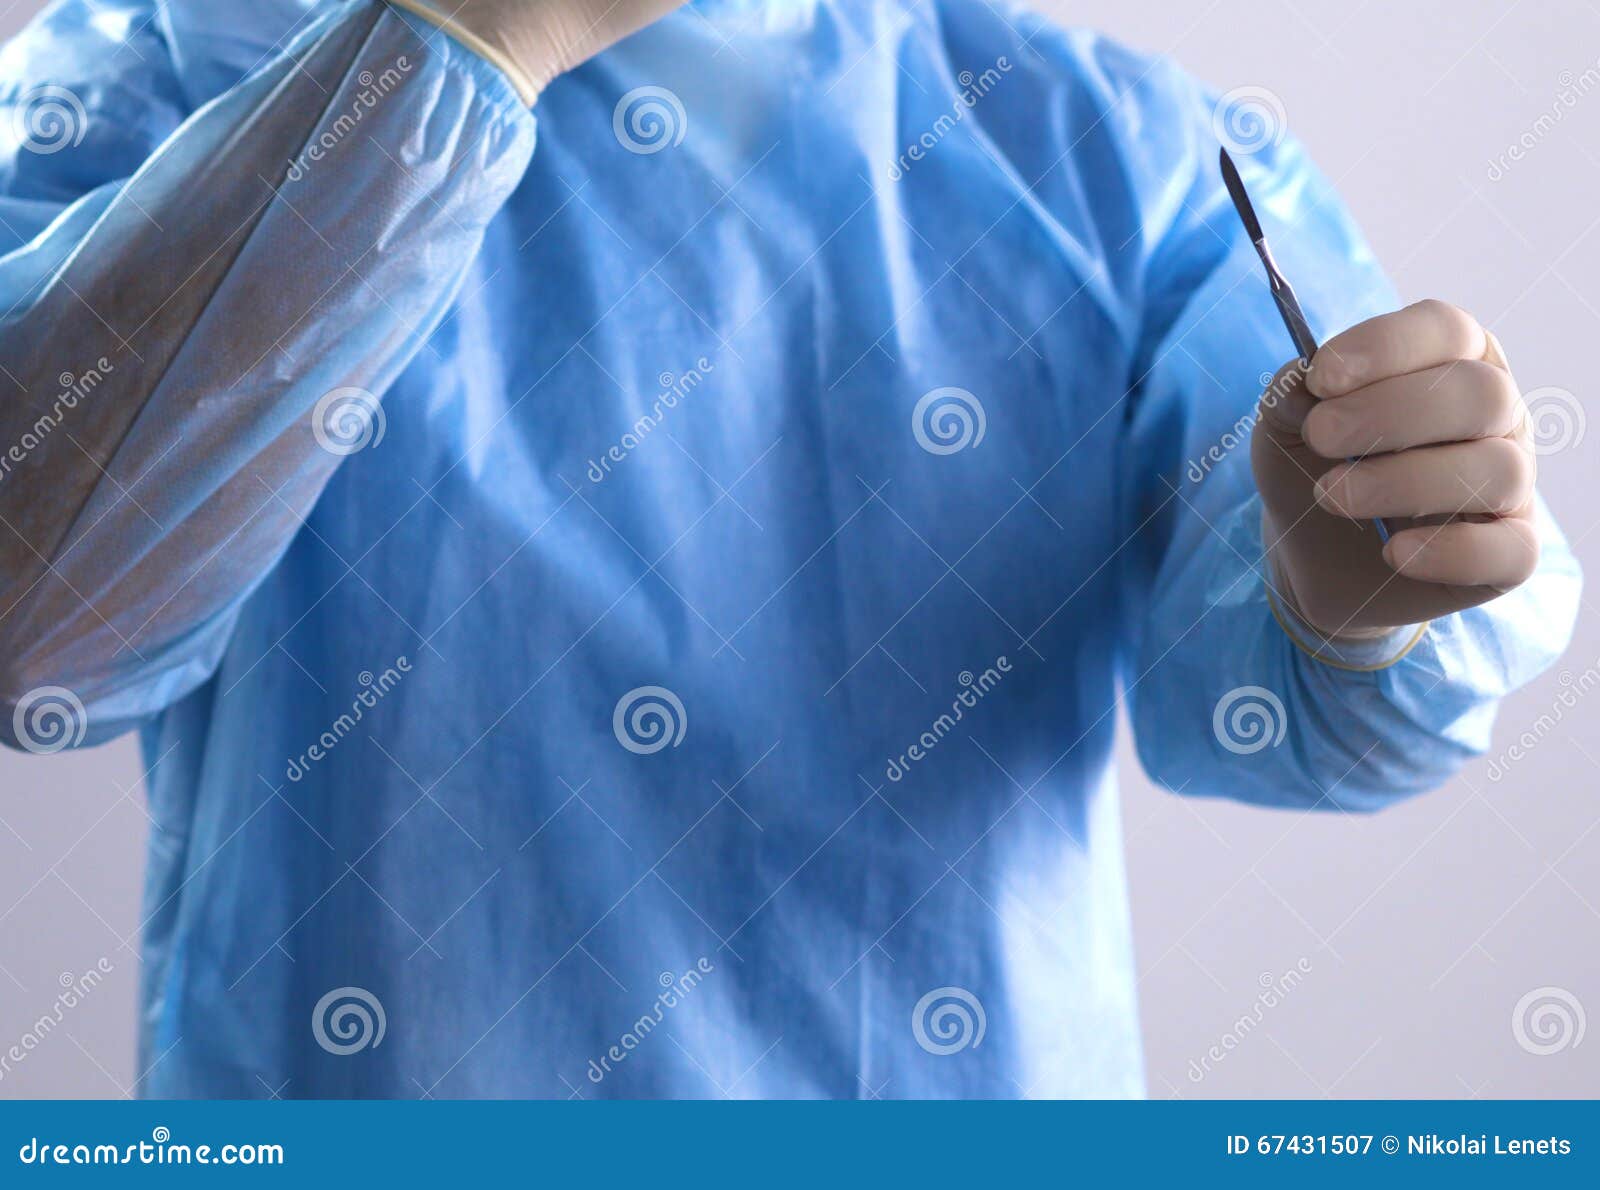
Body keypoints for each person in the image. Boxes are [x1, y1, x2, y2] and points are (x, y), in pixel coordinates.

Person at [0, 0, 1578, 1098]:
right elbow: (38, 618)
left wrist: (1369, 577)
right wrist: (464, 44)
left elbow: (1315, 717)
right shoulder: (171, 67)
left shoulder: (1103, 155)